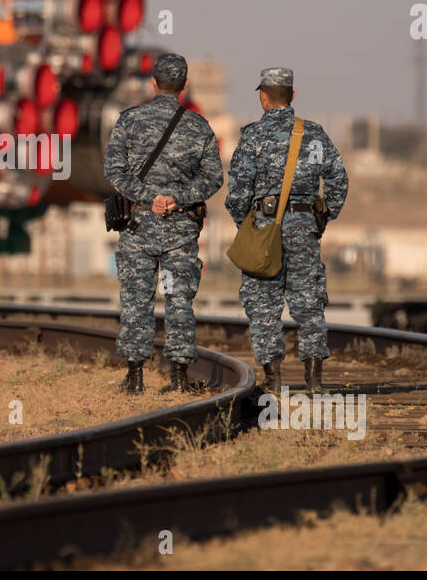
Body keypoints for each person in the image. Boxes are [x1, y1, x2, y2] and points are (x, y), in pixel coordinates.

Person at [104, 53, 224, 396]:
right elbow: (213, 178)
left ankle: (135, 379)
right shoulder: (199, 126)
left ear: (153, 83)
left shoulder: (129, 120)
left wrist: (148, 197)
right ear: (184, 85)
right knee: (179, 301)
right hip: (181, 230)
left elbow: (114, 171)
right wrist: (176, 199)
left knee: (136, 301)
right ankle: (180, 378)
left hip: (138, 227)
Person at [226, 68, 348, 394]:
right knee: (309, 303)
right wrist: (321, 218)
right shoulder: (315, 134)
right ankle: (314, 380)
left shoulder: (252, 136)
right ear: (292, 96)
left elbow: (237, 193)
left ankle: (273, 379)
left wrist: (248, 227)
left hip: (264, 225)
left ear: (263, 98)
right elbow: (338, 181)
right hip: (305, 227)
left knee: (263, 304)